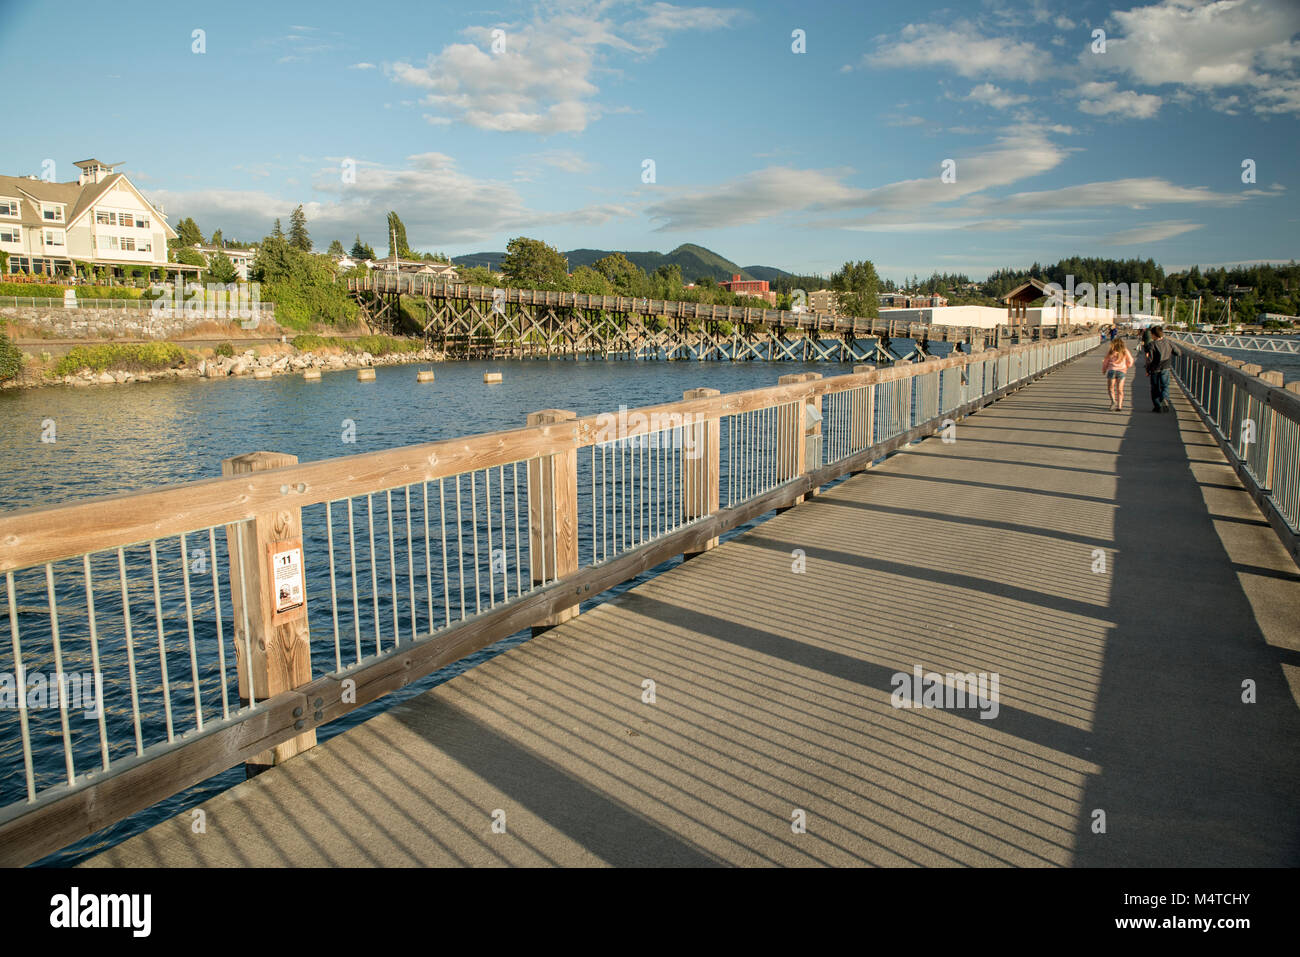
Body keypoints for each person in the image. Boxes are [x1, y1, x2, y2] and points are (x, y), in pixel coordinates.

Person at [1146, 325, 1175, 412]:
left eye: (1151, 334)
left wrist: (1148, 370)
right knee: (1165, 386)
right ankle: (1164, 398)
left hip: (1155, 369)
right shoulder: (1168, 342)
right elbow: (1178, 352)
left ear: (1154, 335)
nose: (1151, 336)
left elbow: (1150, 359)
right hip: (1166, 367)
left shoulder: (1152, 344)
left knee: (1155, 388)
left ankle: (1157, 406)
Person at [1101, 338, 1134, 411]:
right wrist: (1127, 366)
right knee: (1120, 389)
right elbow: (1130, 360)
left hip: (1112, 371)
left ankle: (1113, 401)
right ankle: (1119, 406)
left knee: (1111, 388)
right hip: (1121, 371)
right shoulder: (1124, 351)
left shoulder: (1111, 352)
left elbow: (1105, 362)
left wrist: (1104, 370)